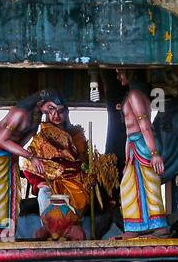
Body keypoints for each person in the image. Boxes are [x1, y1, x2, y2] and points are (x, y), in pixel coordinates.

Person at [23, 99, 117, 240]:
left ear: (66, 112)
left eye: (60, 111)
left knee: (80, 195)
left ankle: (71, 226)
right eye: (51, 111)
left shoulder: (76, 135)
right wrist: (39, 183)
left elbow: (84, 162)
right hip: (51, 181)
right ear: (47, 113)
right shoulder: (41, 137)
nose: (56, 115)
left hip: (75, 179)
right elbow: (27, 164)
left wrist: (89, 174)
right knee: (44, 193)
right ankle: (49, 227)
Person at [0, 90, 60, 241]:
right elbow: (1, 140)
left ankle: (10, 231)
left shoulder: (37, 117)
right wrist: (30, 157)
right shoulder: (20, 113)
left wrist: (30, 156)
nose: (53, 113)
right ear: (40, 104)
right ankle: (0, 231)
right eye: (51, 108)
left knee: (14, 192)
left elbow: (24, 140)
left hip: (11, 151)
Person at [115, 70, 168, 236]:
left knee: (149, 183)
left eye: (121, 72)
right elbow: (129, 132)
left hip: (144, 143)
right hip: (135, 144)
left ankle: (158, 224)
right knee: (131, 186)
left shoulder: (134, 95)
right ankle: (137, 225)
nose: (119, 76)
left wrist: (154, 153)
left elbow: (144, 123)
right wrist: (126, 161)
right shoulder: (134, 95)